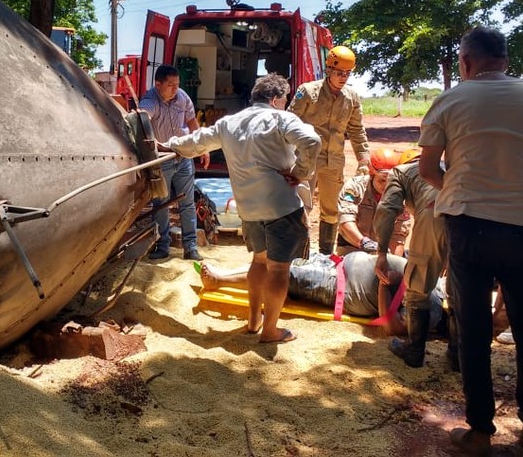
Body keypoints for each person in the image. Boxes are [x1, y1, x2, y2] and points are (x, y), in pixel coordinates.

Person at [418, 26, 523, 455]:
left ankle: (481, 431)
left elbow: (428, 170)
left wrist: (464, 188)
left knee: (473, 326)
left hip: (468, 224)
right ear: (505, 58)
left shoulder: (450, 100)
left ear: (466, 62)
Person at [162, 74, 321, 343]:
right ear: (275, 99)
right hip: (281, 206)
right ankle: (271, 330)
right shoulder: (281, 119)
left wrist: (167, 145)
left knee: (258, 262)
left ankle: (253, 321)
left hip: (248, 208)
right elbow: (312, 142)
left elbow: (195, 142)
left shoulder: (228, 123)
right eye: (284, 100)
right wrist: (300, 172)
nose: (285, 105)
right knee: (279, 269)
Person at [200, 252, 445, 336]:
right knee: (287, 265)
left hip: (338, 285)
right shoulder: (433, 279)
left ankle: (219, 279)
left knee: (284, 274)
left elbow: (392, 328)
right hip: (340, 266)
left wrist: (384, 284)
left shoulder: (431, 307)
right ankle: (224, 274)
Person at [374, 148, 453, 370]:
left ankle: (415, 350)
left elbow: (387, 209)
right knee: (458, 289)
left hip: (433, 215)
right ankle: (457, 353)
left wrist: (381, 252)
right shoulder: (451, 166)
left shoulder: (401, 172)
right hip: (468, 217)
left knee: (417, 287)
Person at [288, 46, 370, 255]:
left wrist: (363, 159)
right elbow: (288, 122)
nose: (343, 77)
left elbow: (356, 130)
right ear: (329, 70)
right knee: (301, 205)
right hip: (306, 159)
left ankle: (325, 254)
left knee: (332, 209)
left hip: (333, 161)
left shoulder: (351, 97)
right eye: (339, 73)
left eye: (348, 73)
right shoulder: (307, 91)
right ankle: (299, 253)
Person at [140, 64, 209, 261]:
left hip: (184, 156)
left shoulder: (182, 97)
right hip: (162, 160)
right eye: (170, 85)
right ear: (158, 84)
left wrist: (201, 147)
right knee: (161, 204)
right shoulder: (150, 100)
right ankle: (162, 247)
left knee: (187, 203)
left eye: (177, 84)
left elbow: (192, 122)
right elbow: (143, 116)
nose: (175, 89)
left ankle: (191, 248)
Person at [336, 148, 410, 257]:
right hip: (352, 246)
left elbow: (398, 236)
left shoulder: (400, 196)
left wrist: (392, 262)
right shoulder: (355, 187)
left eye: (391, 180)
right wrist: (363, 242)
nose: (386, 186)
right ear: (372, 174)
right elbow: (346, 219)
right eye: (382, 180)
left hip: (383, 249)